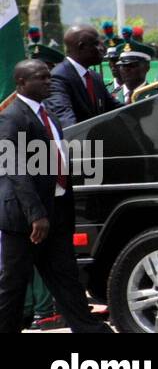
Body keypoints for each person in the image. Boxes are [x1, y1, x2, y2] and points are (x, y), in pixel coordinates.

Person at [0, 60, 113, 333]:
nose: (48, 82)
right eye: (41, 78)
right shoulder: (12, 117)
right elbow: (15, 169)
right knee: (13, 285)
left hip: (58, 210)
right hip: (25, 218)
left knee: (66, 280)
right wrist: (35, 214)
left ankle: (91, 331)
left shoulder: (47, 113)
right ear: (22, 84)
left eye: (49, 77)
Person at [44, 25, 117, 128]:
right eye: (96, 44)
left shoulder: (95, 77)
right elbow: (65, 120)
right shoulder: (57, 78)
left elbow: (115, 108)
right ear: (81, 47)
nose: (103, 48)